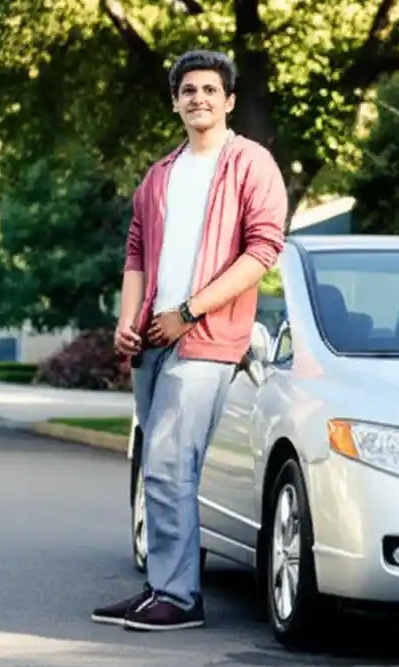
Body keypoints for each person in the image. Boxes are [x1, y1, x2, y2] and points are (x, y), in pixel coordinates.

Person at [92, 50, 288, 631]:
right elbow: (135, 251)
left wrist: (188, 311)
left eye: (210, 90)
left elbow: (263, 250)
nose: (198, 98)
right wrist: (129, 320)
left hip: (208, 336)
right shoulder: (160, 175)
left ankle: (179, 597)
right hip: (152, 338)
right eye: (188, 90)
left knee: (170, 461)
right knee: (157, 463)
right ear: (175, 101)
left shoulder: (251, 164)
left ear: (228, 101)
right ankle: (161, 583)